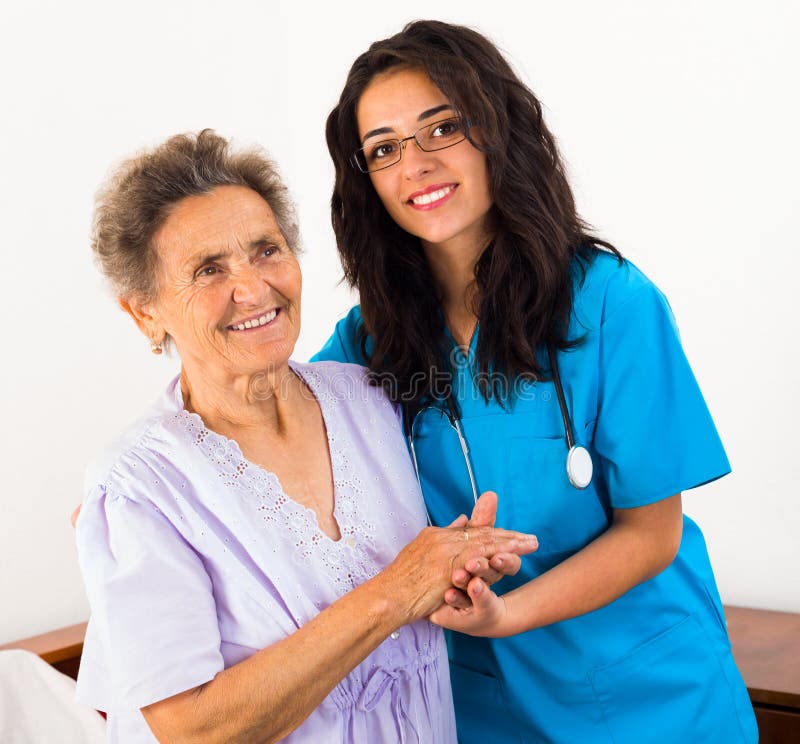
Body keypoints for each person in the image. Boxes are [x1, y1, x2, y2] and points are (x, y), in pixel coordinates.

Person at [315, 19, 758, 743]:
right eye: (384, 149)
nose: (415, 164)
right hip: (486, 708)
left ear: (499, 129)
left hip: (653, 701)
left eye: (443, 127)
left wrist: (505, 614)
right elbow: (268, 420)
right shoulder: (370, 337)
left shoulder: (610, 301)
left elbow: (651, 534)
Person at [74, 129, 538, 744]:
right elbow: (195, 731)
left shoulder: (370, 396)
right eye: (208, 269)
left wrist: (456, 566)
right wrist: (399, 589)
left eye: (266, 250)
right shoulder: (137, 489)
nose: (252, 287)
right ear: (145, 312)